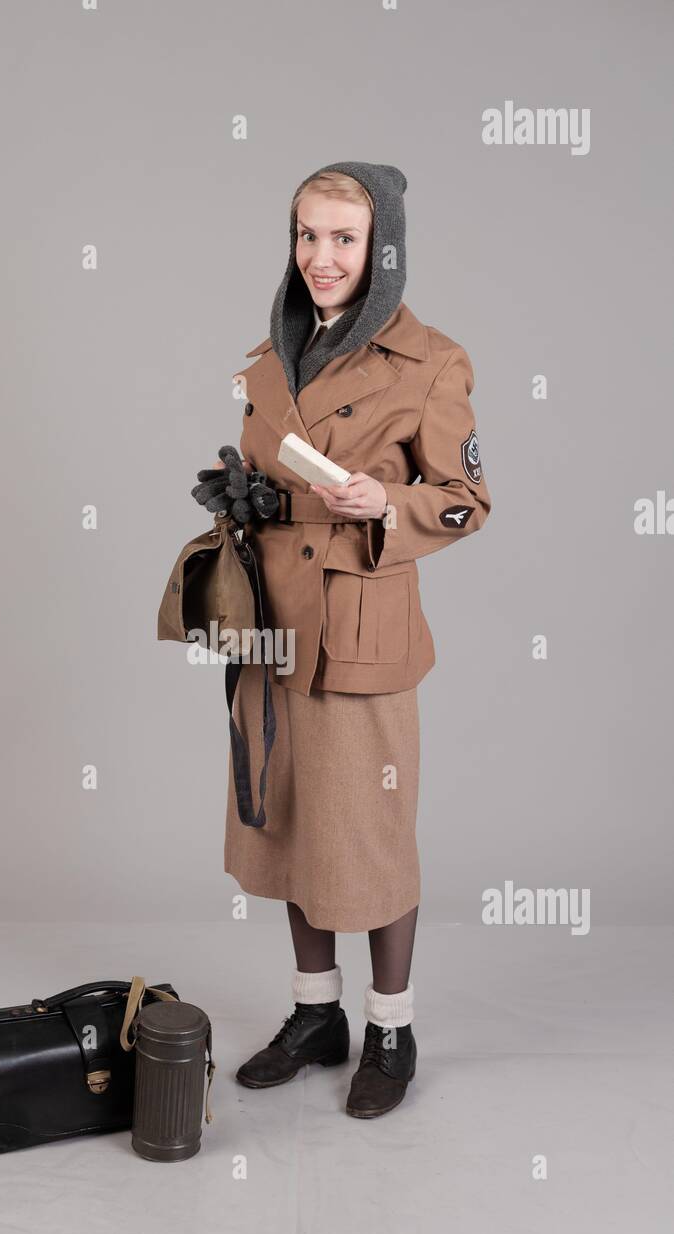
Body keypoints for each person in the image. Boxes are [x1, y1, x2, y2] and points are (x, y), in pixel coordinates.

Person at [195, 160, 491, 1119]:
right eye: (306, 235)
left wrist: (388, 503)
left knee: (370, 835)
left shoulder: (432, 361)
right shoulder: (268, 356)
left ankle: (391, 1029)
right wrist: (235, 496)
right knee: (288, 817)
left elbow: (465, 503)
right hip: (273, 622)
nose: (320, 258)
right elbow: (262, 468)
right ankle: (316, 1016)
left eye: (343, 239)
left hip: (362, 627)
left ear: (383, 251)